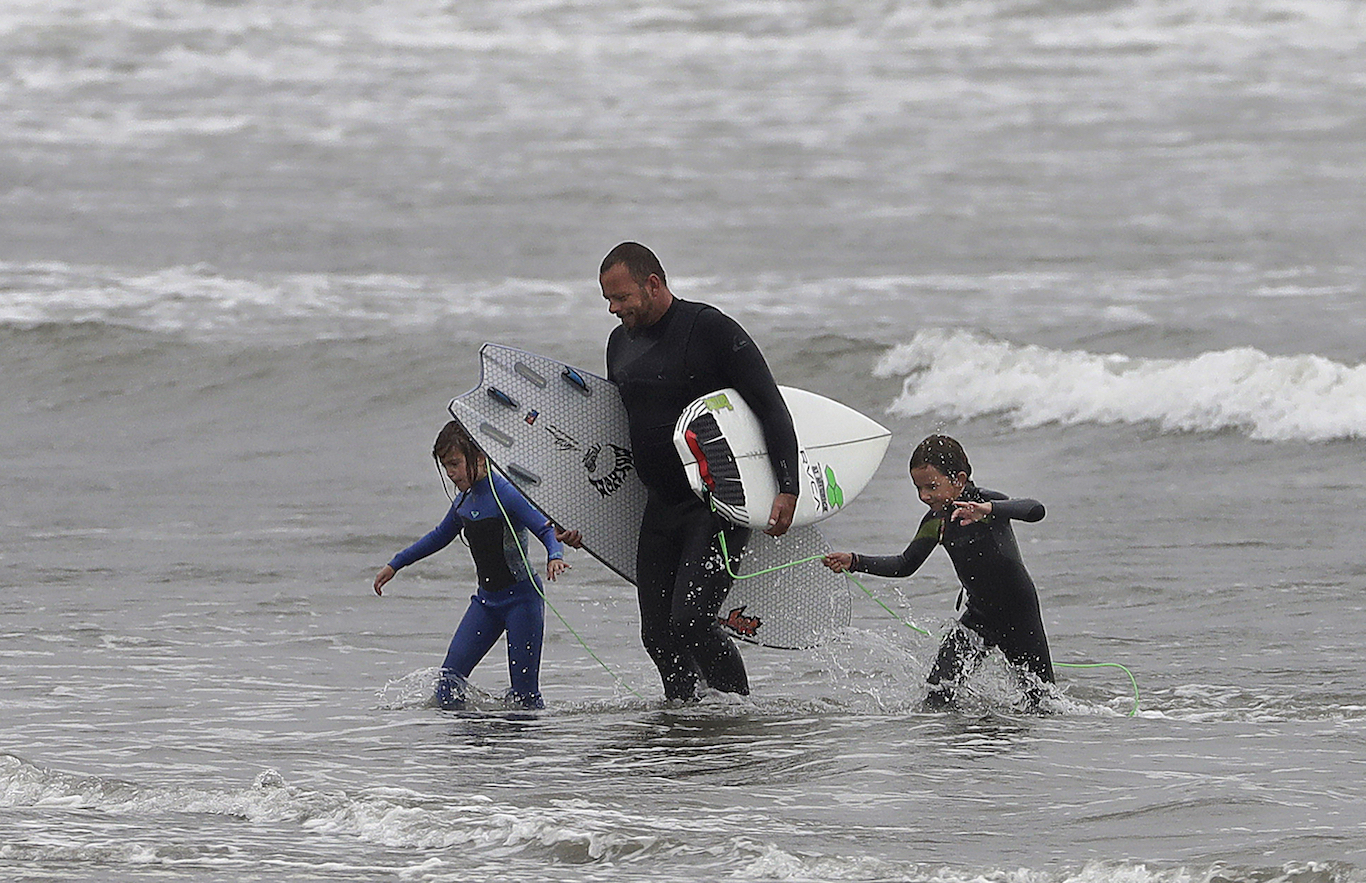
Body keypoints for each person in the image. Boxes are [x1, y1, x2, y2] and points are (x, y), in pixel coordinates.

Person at [557, 241, 799, 701]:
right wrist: (577, 508)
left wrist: (787, 487)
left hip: (717, 503)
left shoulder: (708, 329)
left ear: (653, 284)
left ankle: (735, 715)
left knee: (692, 621)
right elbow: (614, 433)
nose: (614, 309)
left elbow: (770, 406)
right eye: (607, 299)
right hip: (661, 506)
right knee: (657, 634)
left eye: (622, 297)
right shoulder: (619, 345)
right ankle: (686, 719)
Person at [823, 434, 1055, 709]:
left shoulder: (987, 505)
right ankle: (959, 744)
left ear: (958, 479)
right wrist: (855, 560)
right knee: (936, 696)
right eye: (918, 488)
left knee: (1043, 702)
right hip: (979, 617)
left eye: (931, 486)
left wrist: (988, 509)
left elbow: (1035, 510)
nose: (924, 496)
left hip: (1018, 612)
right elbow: (905, 564)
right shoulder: (936, 521)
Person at [375, 419, 568, 709]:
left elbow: (544, 529)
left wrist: (555, 555)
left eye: (454, 464)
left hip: (523, 603)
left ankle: (529, 753)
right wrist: (396, 564)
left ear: (479, 456)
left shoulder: (507, 493)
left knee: (525, 700)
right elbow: (439, 536)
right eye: (445, 467)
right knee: (448, 687)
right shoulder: (464, 500)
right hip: (486, 604)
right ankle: (469, 749)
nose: (451, 473)